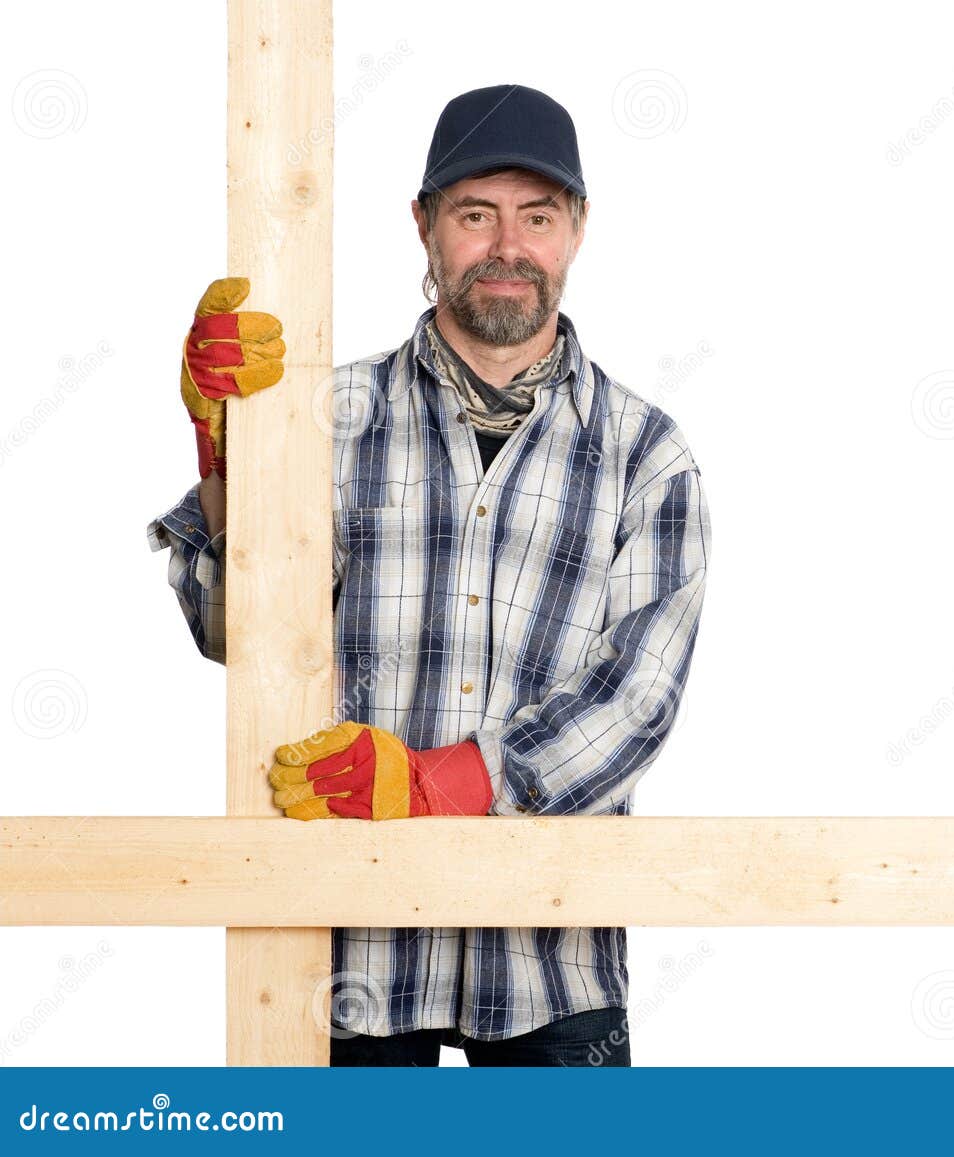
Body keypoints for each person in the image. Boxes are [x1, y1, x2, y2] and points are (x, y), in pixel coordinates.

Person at [146, 84, 712, 1067]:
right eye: (474, 213)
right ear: (423, 224)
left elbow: (637, 700)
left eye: (536, 216)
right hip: (346, 950)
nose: (507, 244)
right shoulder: (321, 413)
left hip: (549, 961)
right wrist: (226, 453)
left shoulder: (644, 453)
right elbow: (232, 627)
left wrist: (440, 782)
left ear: (577, 229)